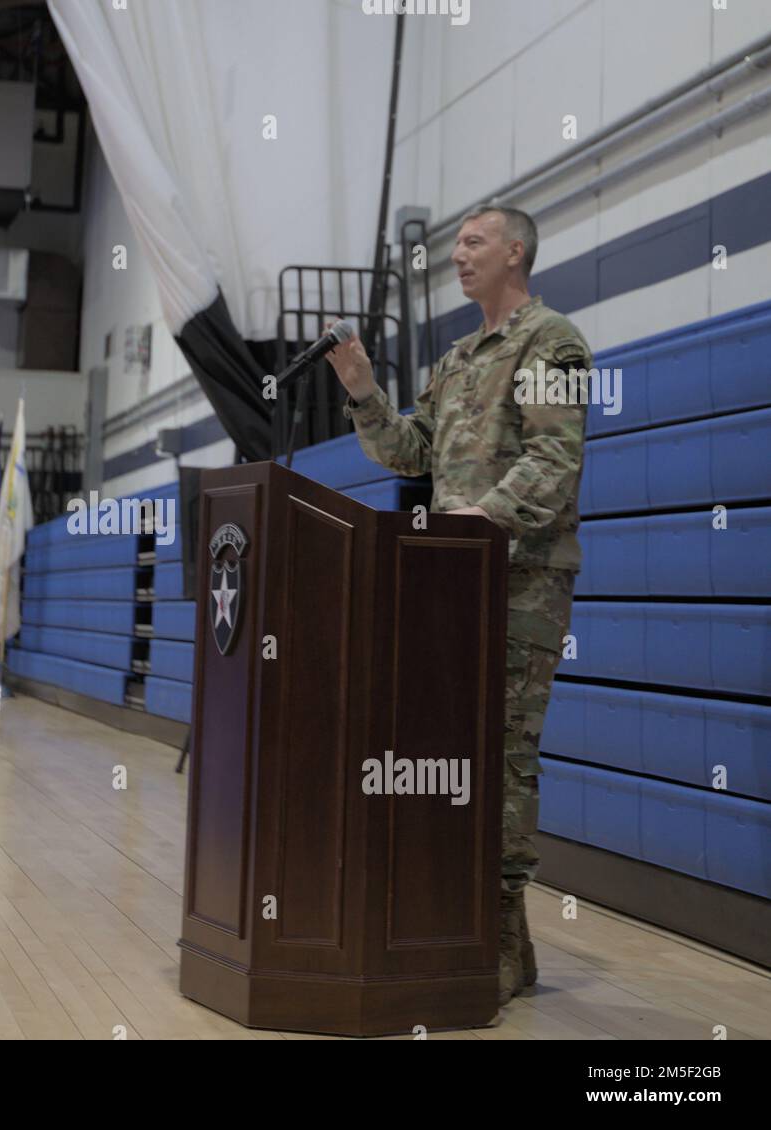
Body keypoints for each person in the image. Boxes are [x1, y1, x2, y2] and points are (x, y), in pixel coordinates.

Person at [326, 204, 591, 1008]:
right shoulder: (458, 358)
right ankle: (461, 925)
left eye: (473, 243)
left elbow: (556, 457)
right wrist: (366, 392)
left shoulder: (554, 343)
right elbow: (410, 453)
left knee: (505, 756)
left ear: (517, 252)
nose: (458, 257)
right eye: (456, 246)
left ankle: (505, 940)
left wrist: (485, 519)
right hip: (451, 589)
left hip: (521, 584)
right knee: (455, 758)